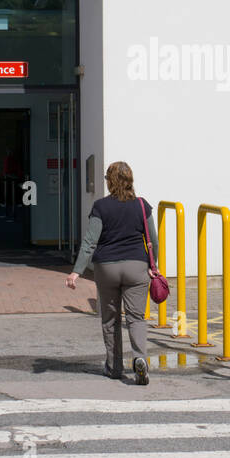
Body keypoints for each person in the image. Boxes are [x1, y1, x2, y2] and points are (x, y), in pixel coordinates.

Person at [65, 161, 158, 384]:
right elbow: (153, 240)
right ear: (130, 180)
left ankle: (114, 367)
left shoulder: (100, 207)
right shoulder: (141, 205)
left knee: (110, 319)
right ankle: (139, 359)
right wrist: (153, 266)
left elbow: (90, 241)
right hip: (136, 267)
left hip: (107, 268)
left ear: (109, 181)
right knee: (136, 318)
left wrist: (76, 271)